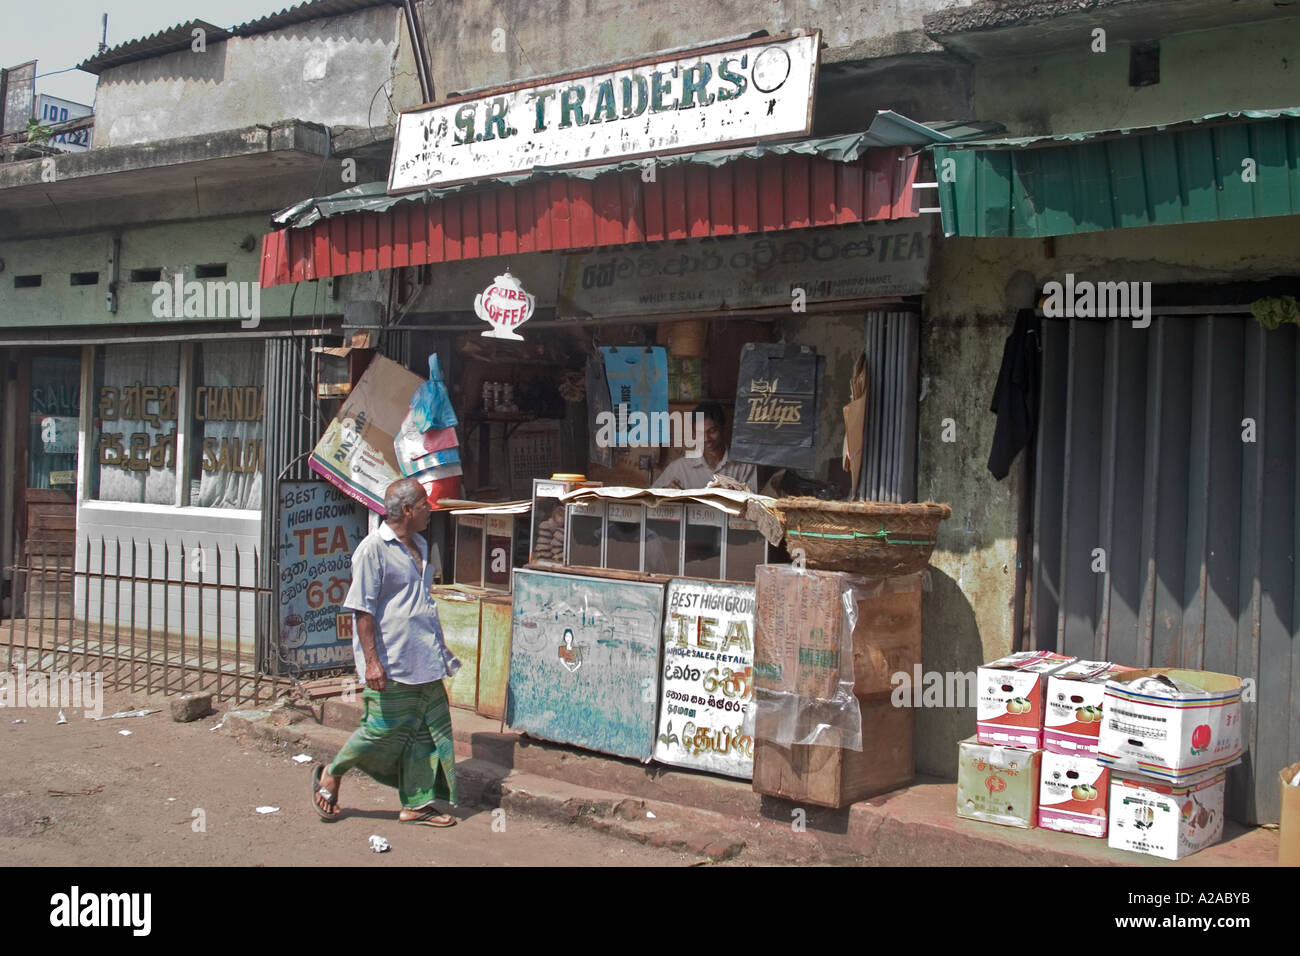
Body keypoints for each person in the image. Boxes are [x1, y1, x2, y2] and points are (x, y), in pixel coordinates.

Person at [312, 478, 461, 827]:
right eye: (424, 503)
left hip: (424, 658)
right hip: (391, 662)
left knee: (425, 729)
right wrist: (372, 662)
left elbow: (417, 602)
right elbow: (362, 611)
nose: (430, 509)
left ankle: (417, 804)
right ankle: (332, 773)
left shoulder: (421, 545)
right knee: (379, 729)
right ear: (407, 510)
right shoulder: (372, 550)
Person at [652, 402, 757, 491]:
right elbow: (650, 501)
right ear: (693, 434)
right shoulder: (680, 467)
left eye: (712, 431)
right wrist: (665, 494)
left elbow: (756, 507)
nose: (706, 439)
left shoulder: (745, 467)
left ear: (723, 428)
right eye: (700, 433)